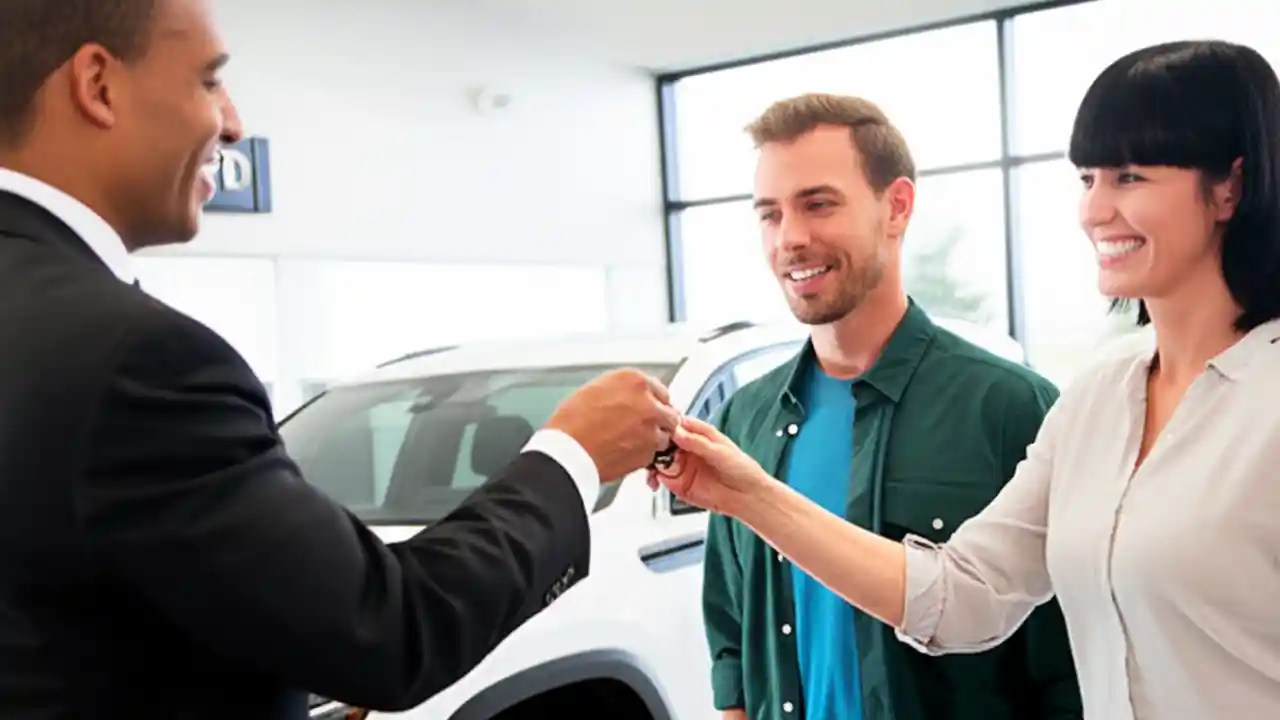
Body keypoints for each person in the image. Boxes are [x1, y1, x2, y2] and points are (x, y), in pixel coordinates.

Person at [0, 1, 678, 718]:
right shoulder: (142, 359)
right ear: (98, 85)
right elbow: (390, 631)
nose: (231, 123)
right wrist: (571, 455)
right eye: (208, 82)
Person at [656, 40, 1280, 720]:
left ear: (1230, 187)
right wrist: (749, 496)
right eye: (1086, 179)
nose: (1094, 210)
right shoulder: (1100, 397)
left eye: (1129, 176)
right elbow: (963, 597)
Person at [685, 93, 1080, 720]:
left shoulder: (1012, 409)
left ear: (896, 206)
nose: (791, 238)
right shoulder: (746, 420)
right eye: (770, 214)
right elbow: (731, 636)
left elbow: (1065, 664)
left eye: (818, 204)